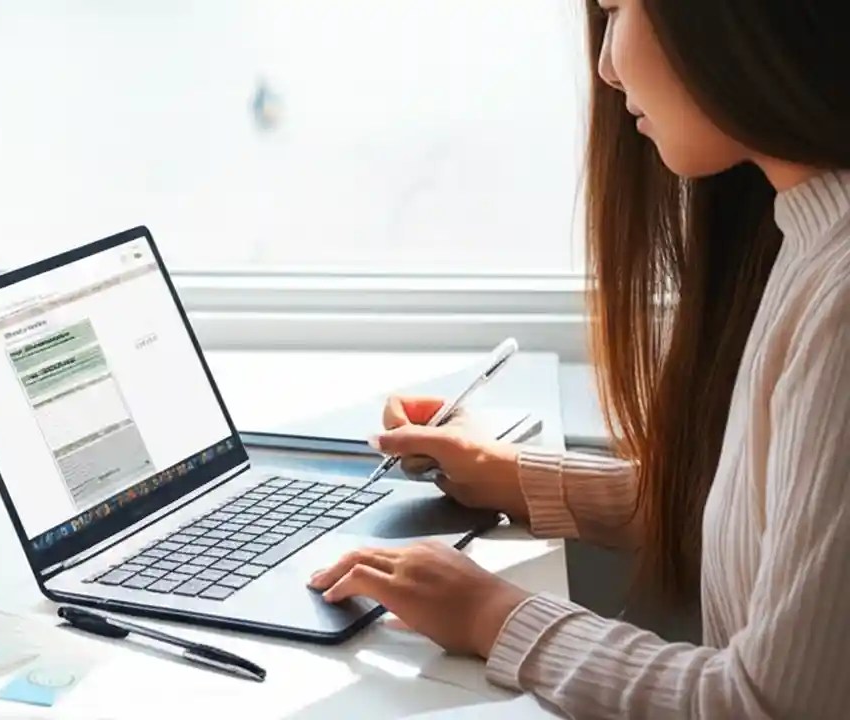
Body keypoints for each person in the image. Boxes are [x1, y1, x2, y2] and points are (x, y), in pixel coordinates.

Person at [307, 0, 850, 717]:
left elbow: (768, 705)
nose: (605, 68)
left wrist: (492, 614)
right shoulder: (810, 236)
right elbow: (763, 524)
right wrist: (511, 475)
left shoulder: (840, 299)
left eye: (615, 9)